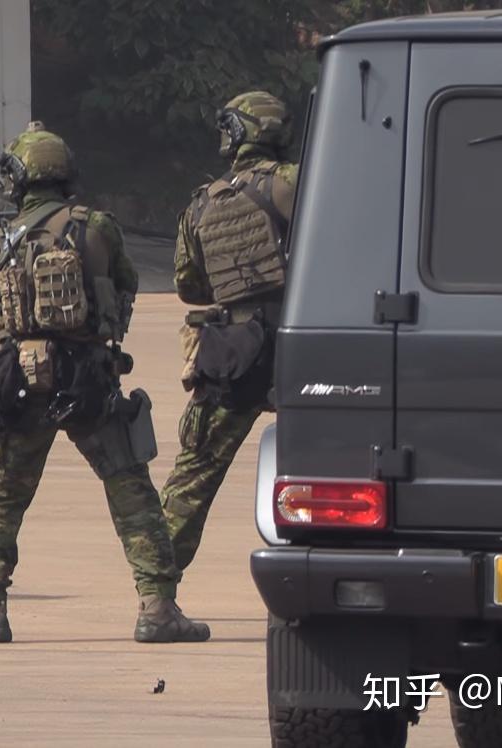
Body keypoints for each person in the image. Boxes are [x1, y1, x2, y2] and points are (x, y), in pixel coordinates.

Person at [0, 121, 209, 644]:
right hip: (89, 378)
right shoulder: (98, 228)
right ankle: (158, 607)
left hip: (20, 380)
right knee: (130, 487)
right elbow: (126, 284)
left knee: (0, 497)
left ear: (18, 179)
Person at [159, 91, 300, 573]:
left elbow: (190, 286)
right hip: (304, 343)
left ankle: (157, 589)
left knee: (193, 476)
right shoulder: (296, 181)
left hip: (234, 350)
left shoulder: (203, 202)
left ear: (237, 135)